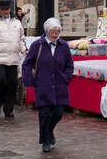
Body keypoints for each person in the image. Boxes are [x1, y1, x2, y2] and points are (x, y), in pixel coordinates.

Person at [22, 18, 75, 152]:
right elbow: (27, 63)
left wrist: (66, 78)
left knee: (58, 113)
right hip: (43, 85)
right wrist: (29, 80)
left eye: (57, 32)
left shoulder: (63, 45)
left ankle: (49, 131)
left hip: (59, 86)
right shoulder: (37, 45)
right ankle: (45, 141)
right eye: (52, 32)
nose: (55, 35)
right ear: (46, 31)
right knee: (44, 114)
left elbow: (69, 65)